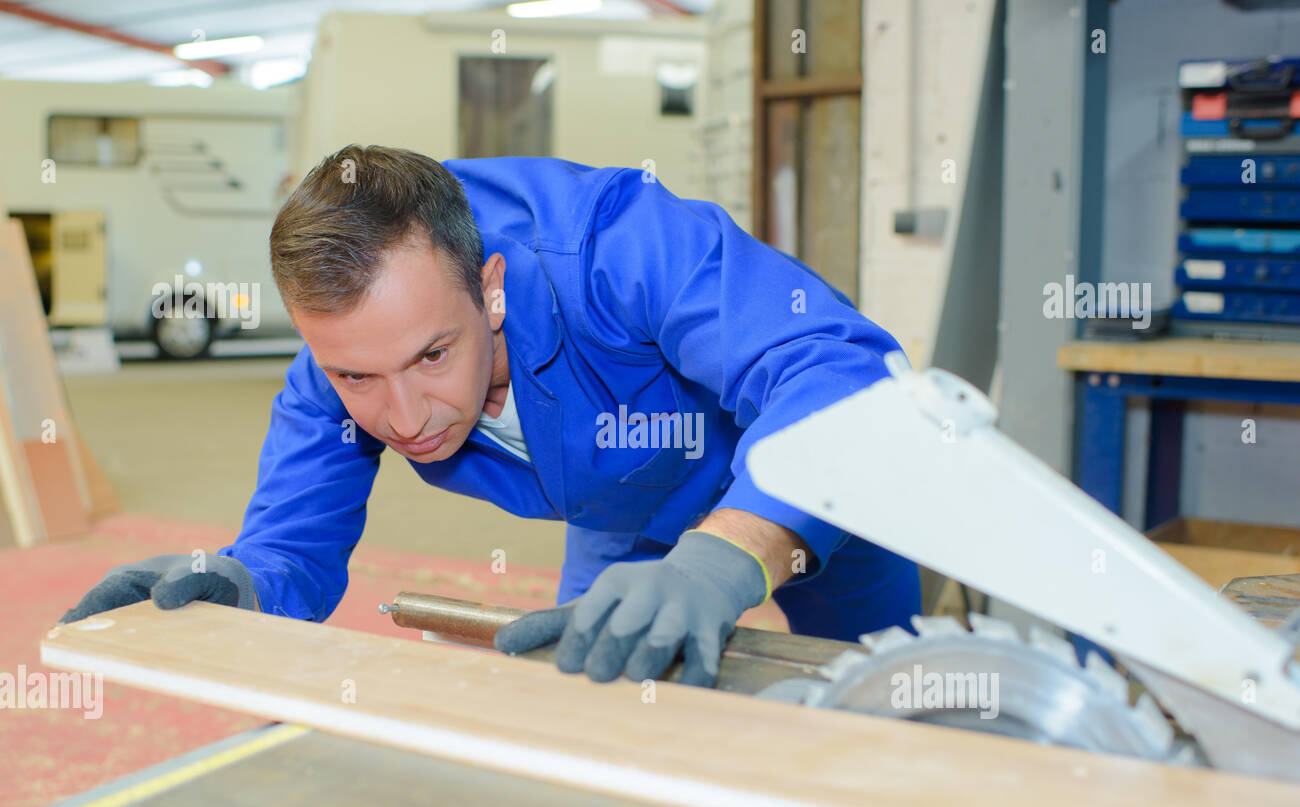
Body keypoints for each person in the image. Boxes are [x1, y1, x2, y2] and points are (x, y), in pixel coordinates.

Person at [60, 145, 920, 687]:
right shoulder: (343, 358)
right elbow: (290, 552)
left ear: (493, 288)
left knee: (887, 701)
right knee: (595, 719)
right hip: (619, 514)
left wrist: (726, 557)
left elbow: (851, 373)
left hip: (805, 485)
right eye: (358, 375)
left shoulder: (612, 245)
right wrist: (237, 586)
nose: (403, 417)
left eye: (433, 356)